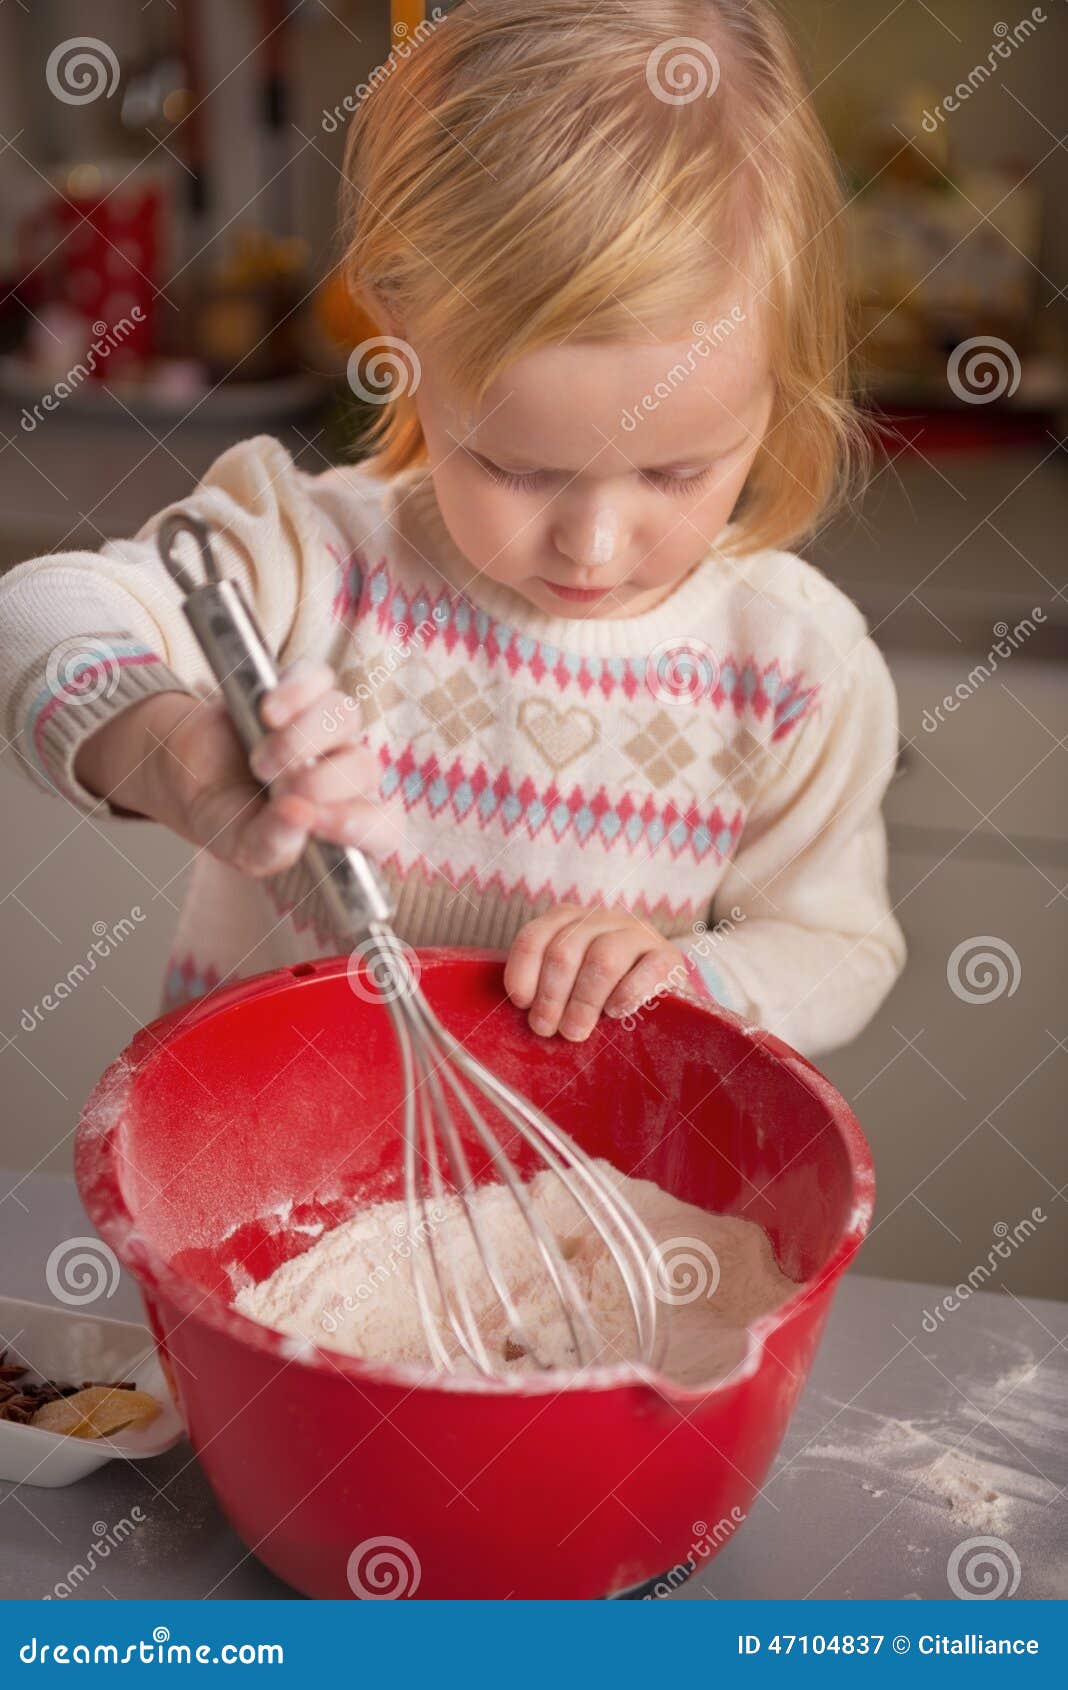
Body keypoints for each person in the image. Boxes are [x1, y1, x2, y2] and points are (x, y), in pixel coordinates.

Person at [0, 0, 904, 1057]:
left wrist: (692, 972)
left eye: (676, 471)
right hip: (262, 1193)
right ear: (397, 324)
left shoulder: (792, 667)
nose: (594, 544)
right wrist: (171, 751)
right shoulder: (310, 563)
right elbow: (36, 612)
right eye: (517, 466)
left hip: (593, 1206)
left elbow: (839, 946)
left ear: (779, 388)